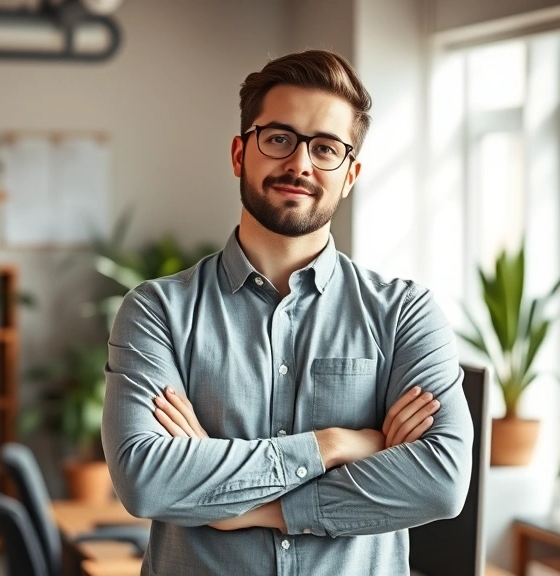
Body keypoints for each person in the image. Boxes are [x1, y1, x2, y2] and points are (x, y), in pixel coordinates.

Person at [102, 49, 473, 576]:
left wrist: (259, 507)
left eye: (325, 148)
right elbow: (146, 479)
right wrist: (337, 444)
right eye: (279, 138)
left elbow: (440, 480)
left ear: (350, 175)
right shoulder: (158, 311)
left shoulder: (404, 313)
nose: (299, 164)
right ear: (239, 153)